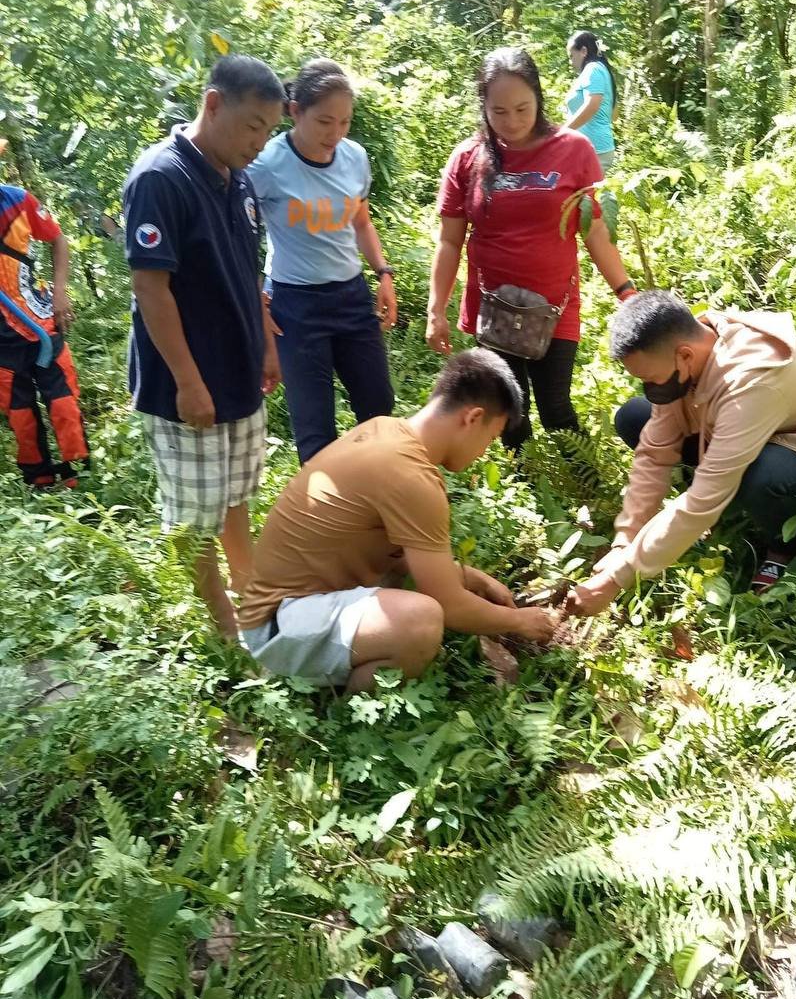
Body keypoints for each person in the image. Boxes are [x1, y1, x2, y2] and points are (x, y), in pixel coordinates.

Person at [238, 349, 558, 693]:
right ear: (472, 418)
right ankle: (347, 709)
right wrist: (518, 621)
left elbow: (407, 560)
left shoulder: (385, 430)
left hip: (283, 611)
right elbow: (449, 606)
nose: (484, 452)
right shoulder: (411, 477)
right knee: (421, 621)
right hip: (278, 627)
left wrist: (474, 578)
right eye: (490, 439)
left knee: (411, 589)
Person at [565, 291, 796, 615]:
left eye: (651, 379)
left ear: (684, 355)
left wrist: (616, 579)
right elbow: (655, 453)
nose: (650, 388)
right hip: (745, 434)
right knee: (635, 416)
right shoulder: (693, 349)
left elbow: (703, 499)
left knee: (763, 475)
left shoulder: (752, 380)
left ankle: (785, 547)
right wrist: (625, 541)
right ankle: (708, 514)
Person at [123, 54, 285, 638]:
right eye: (252, 126)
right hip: (186, 383)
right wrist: (189, 383)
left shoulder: (236, 178)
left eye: (269, 130)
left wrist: (266, 343)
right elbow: (151, 287)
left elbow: (246, 270)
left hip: (237, 371)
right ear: (213, 105)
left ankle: (253, 602)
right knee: (196, 513)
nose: (259, 143)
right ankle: (225, 630)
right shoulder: (160, 179)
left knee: (235, 494)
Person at [428, 46, 635, 451]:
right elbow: (450, 241)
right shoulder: (467, 157)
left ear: (538, 98)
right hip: (493, 308)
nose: (512, 121)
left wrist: (626, 292)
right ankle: (527, 483)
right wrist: (437, 310)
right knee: (509, 413)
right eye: (499, 111)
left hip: (555, 306)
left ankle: (585, 483)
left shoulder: (573, 149)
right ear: (483, 106)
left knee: (557, 410)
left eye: (522, 109)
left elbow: (594, 231)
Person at [248, 58, 397, 463]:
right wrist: (256, 303)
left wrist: (383, 273)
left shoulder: (354, 157)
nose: (336, 134)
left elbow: (361, 221)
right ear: (296, 111)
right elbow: (238, 233)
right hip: (295, 305)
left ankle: (372, 488)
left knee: (378, 407)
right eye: (325, 122)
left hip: (351, 297)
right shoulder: (268, 164)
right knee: (315, 428)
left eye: (345, 122)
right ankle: (324, 502)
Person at [0, 153, 88, 487]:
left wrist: (60, 292)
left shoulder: (18, 201)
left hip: (40, 320)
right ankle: (40, 480)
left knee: (63, 402)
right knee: (19, 412)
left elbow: (57, 239)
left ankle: (77, 476)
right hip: (2, 340)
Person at [563, 30, 618, 175]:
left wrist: (563, 132)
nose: (570, 62)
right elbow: (614, 114)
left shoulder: (592, 69)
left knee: (580, 191)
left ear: (583, 51)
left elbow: (592, 105)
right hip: (593, 148)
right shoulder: (602, 70)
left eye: (571, 56)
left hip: (594, 150)